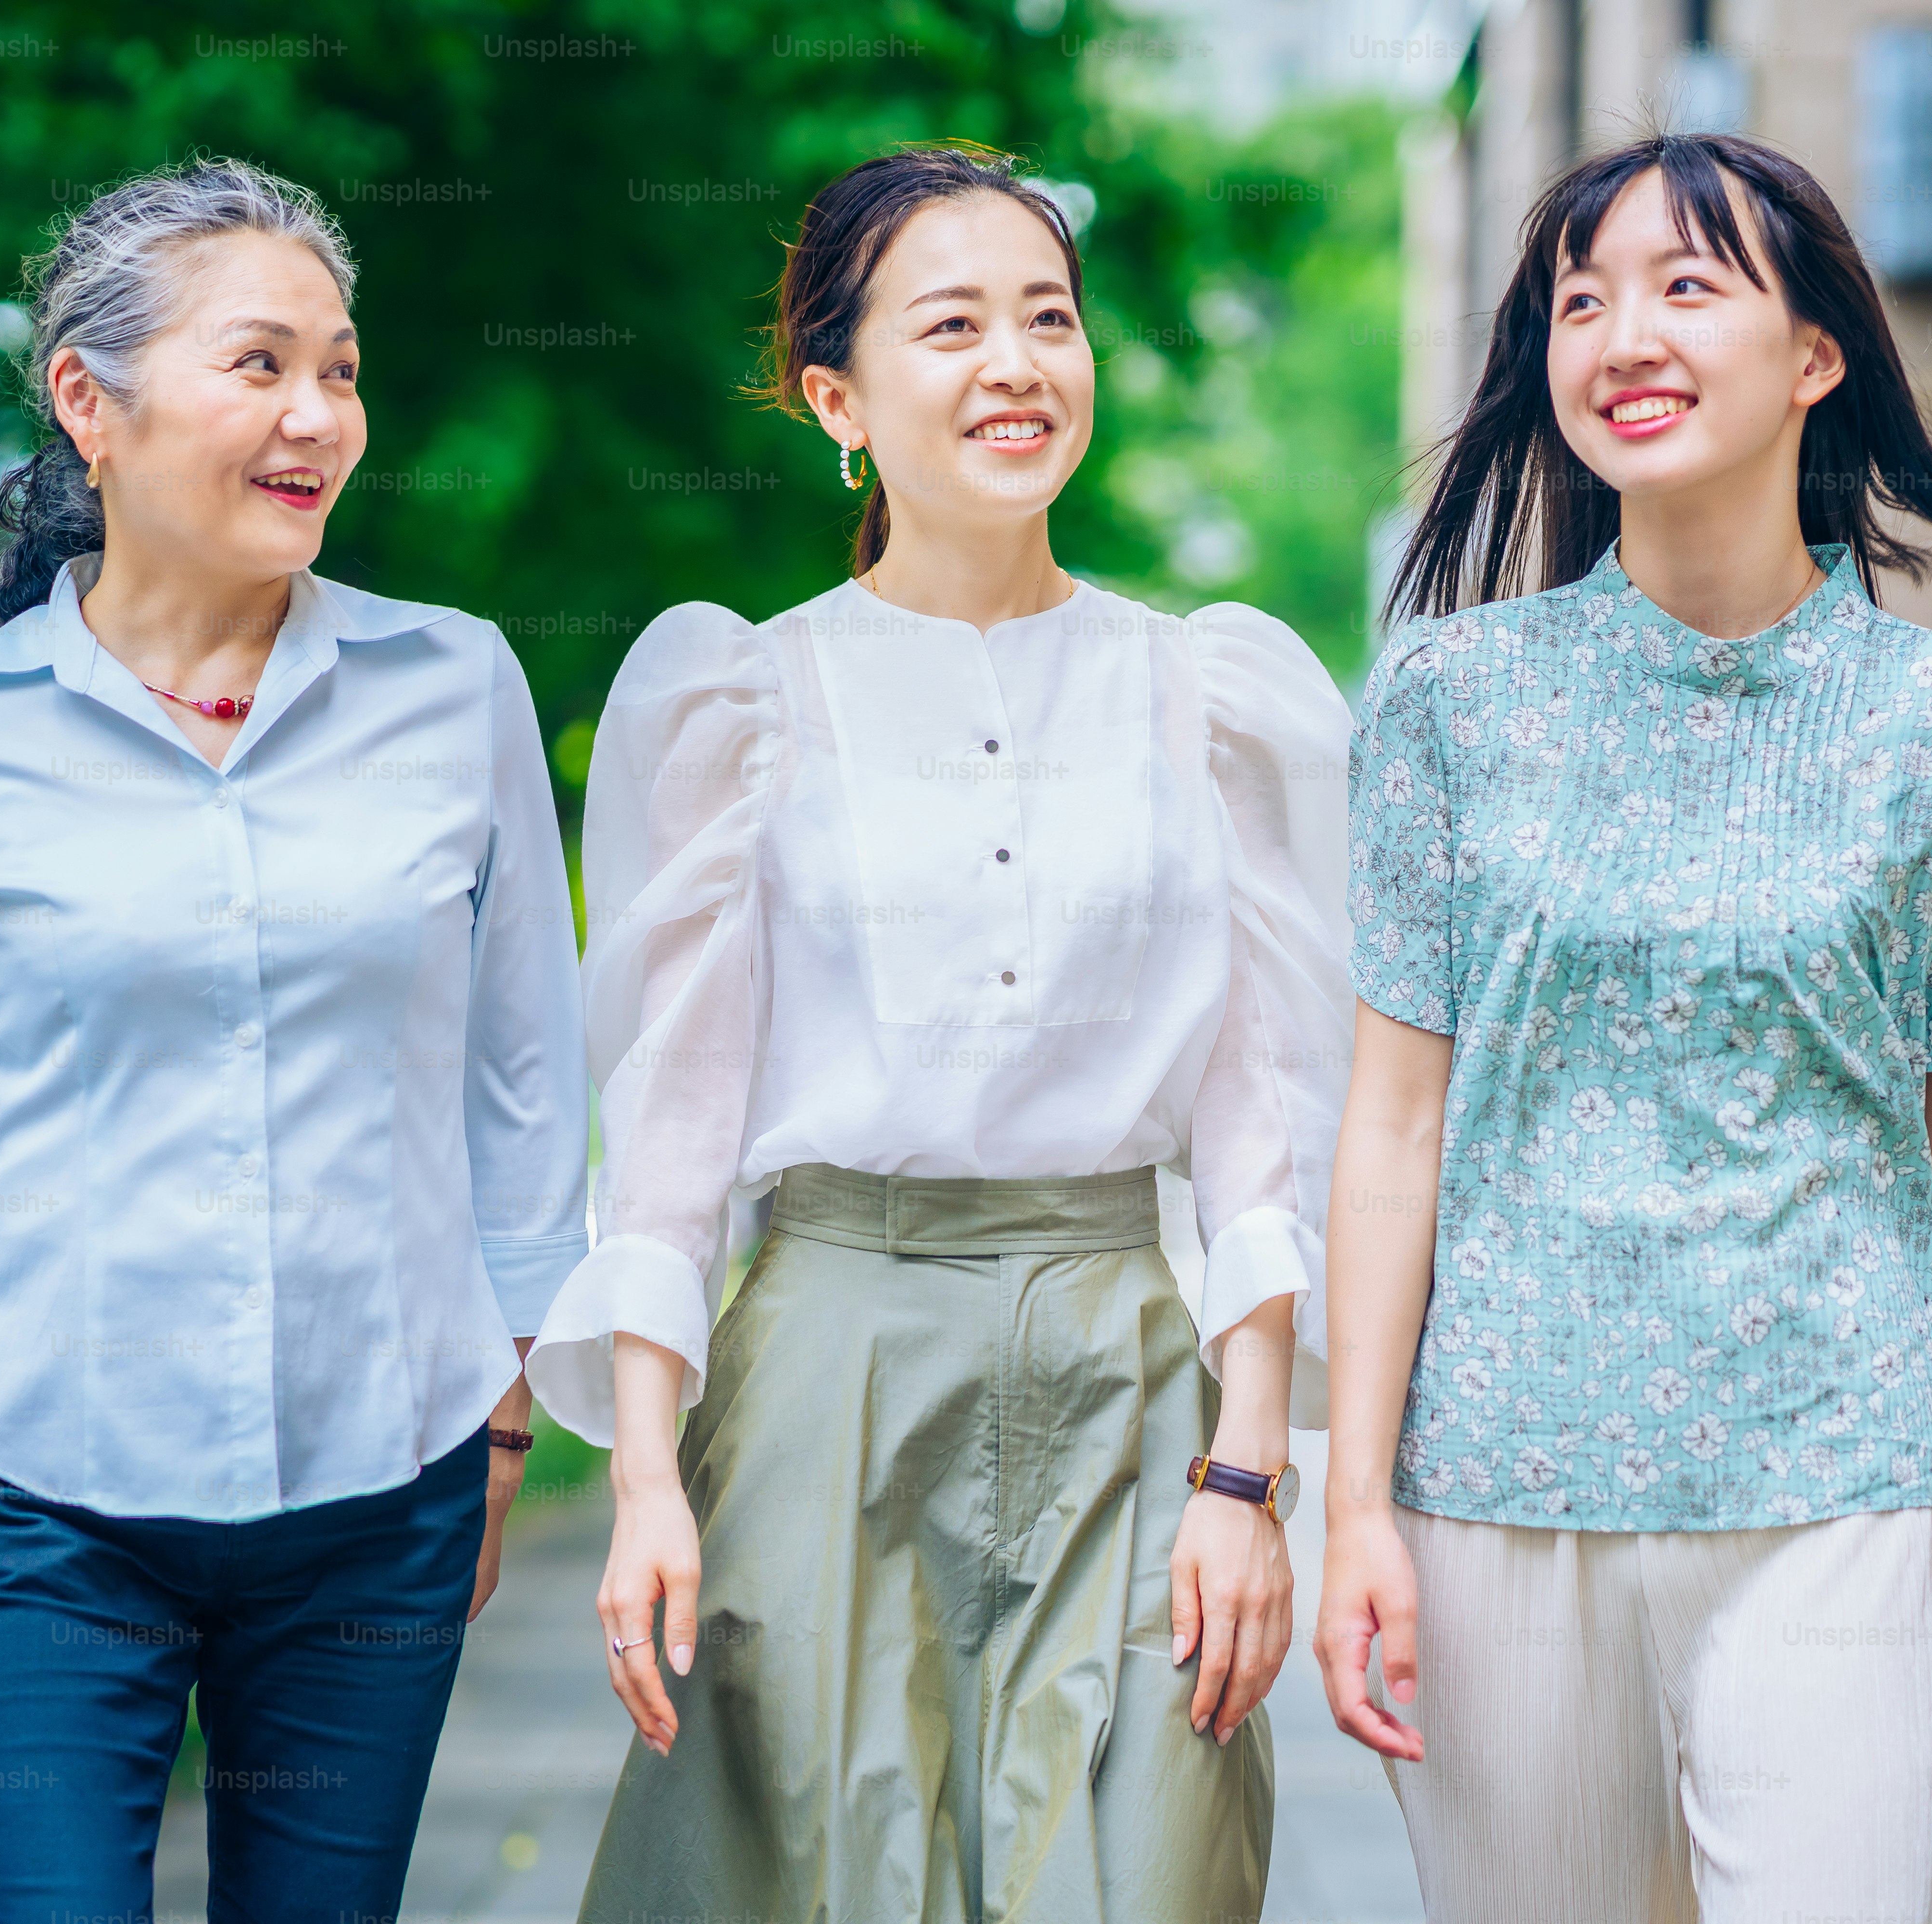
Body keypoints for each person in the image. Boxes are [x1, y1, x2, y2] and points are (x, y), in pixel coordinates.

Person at [0, 159, 587, 1924]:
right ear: (85, 404)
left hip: (384, 1488)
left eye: (340, 370)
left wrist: (503, 1429)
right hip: (54, 1507)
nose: (318, 416)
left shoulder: (458, 686)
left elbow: (524, 1084)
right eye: (260, 364)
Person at [522, 144, 1353, 1924]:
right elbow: (667, 1145)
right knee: (823, 1876)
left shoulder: (1208, 696)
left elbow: (1257, 1116)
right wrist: (650, 1487)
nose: (1016, 365)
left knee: (1151, 1877)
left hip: (1142, 1373)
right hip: (832, 1359)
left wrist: (1251, 1475)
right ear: (840, 397)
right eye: (953, 324)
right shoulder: (742, 700)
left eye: (1049, 321)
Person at [1316, 131, 1932, 1922]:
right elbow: (1393, 1123)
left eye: (1686, 285)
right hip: (1502, 1483)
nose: (1620, 338)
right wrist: (1357, 1502)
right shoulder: (1448, 698)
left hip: (1841, 1480)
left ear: (1816, 353)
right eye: (1580, 302)